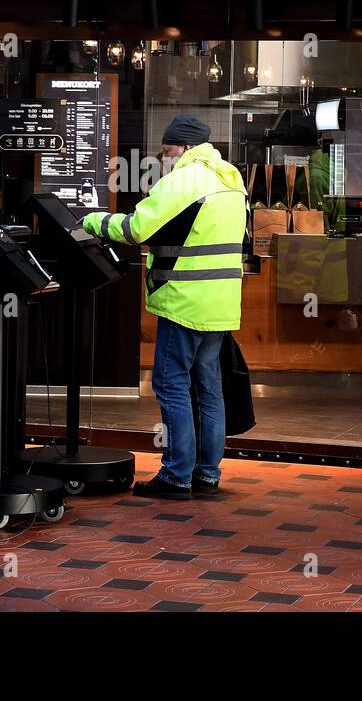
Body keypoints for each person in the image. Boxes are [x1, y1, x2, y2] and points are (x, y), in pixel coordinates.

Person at [82, 115, 247, 500]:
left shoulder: (186, 178)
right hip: (221, 302)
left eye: (169, 150)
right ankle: (207, 475)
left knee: (171, 384)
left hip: (184, 301)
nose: (165, 157)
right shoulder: (231, 178)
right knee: (209, 388)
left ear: (185, 146)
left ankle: (176, 475)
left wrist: (91, 220)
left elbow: (138, 228)